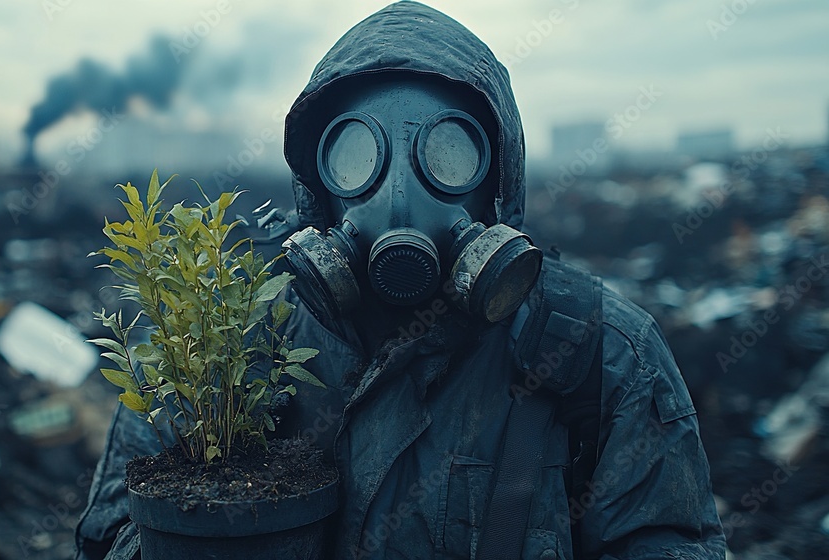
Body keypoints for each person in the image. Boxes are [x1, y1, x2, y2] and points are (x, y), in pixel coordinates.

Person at [75, 3, 726, 559]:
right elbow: (114, 534)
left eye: (449, 155)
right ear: (318, 188)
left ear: (499, 183)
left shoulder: (599, 353)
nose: (399, 201)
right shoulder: (222, 342)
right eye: (357, 156)